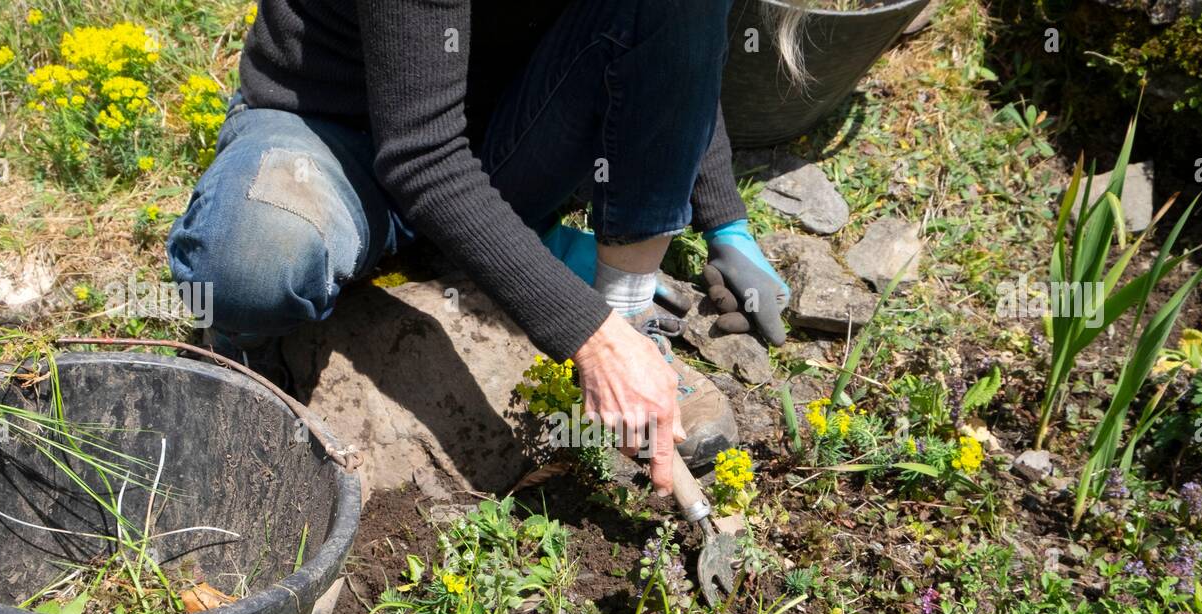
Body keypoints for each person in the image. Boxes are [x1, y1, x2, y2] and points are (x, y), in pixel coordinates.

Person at [167, 0, 790, 496]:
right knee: (250, 265)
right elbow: (420, 153)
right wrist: (590, 338)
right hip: (331, 136)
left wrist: (726, 222)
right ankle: (248, 358)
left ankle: (627, 320)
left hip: (494, 145)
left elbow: (670, 40)